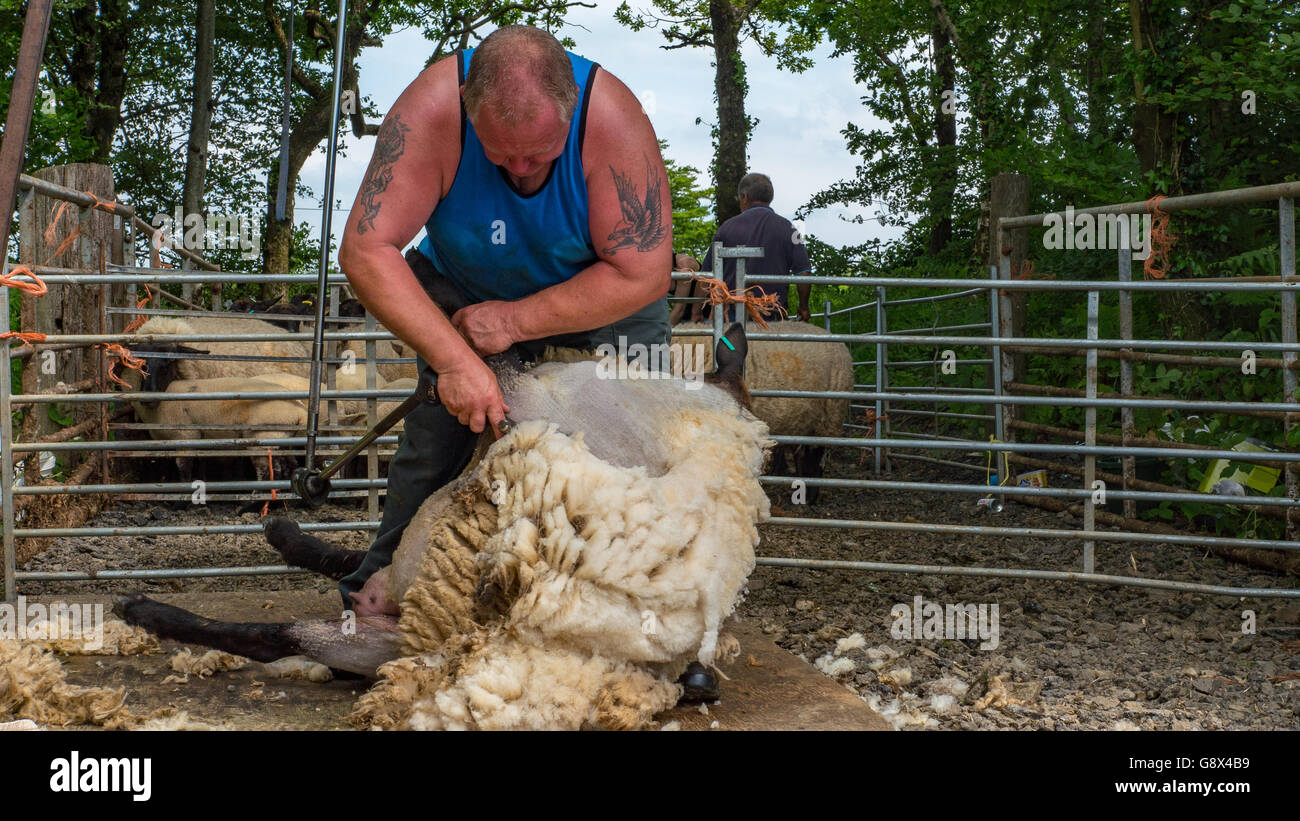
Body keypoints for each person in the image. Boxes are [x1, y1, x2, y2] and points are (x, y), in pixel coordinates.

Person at [336, 26, 672, 608]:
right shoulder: (430, 112)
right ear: (468, 111)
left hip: (601, 291)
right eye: (499, 154)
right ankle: (379, 600)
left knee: (637, 443)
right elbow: (366, 250)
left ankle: (660, 615)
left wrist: (514, 324)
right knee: (439, 437)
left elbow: (642, 273)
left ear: (569, 113)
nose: (520, 170)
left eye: (540, 154)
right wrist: (454, 360)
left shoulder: (612, 120)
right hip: (466, 288)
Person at [700, 173, 812, 323]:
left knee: (728, 346)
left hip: (729, 318)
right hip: (771, 316)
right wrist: (803, 307)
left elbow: (706, 276)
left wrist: (698, 311)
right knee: (769, 347)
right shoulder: (789, 228)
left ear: (745, 197)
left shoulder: (727, 228)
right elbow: (803, 273)